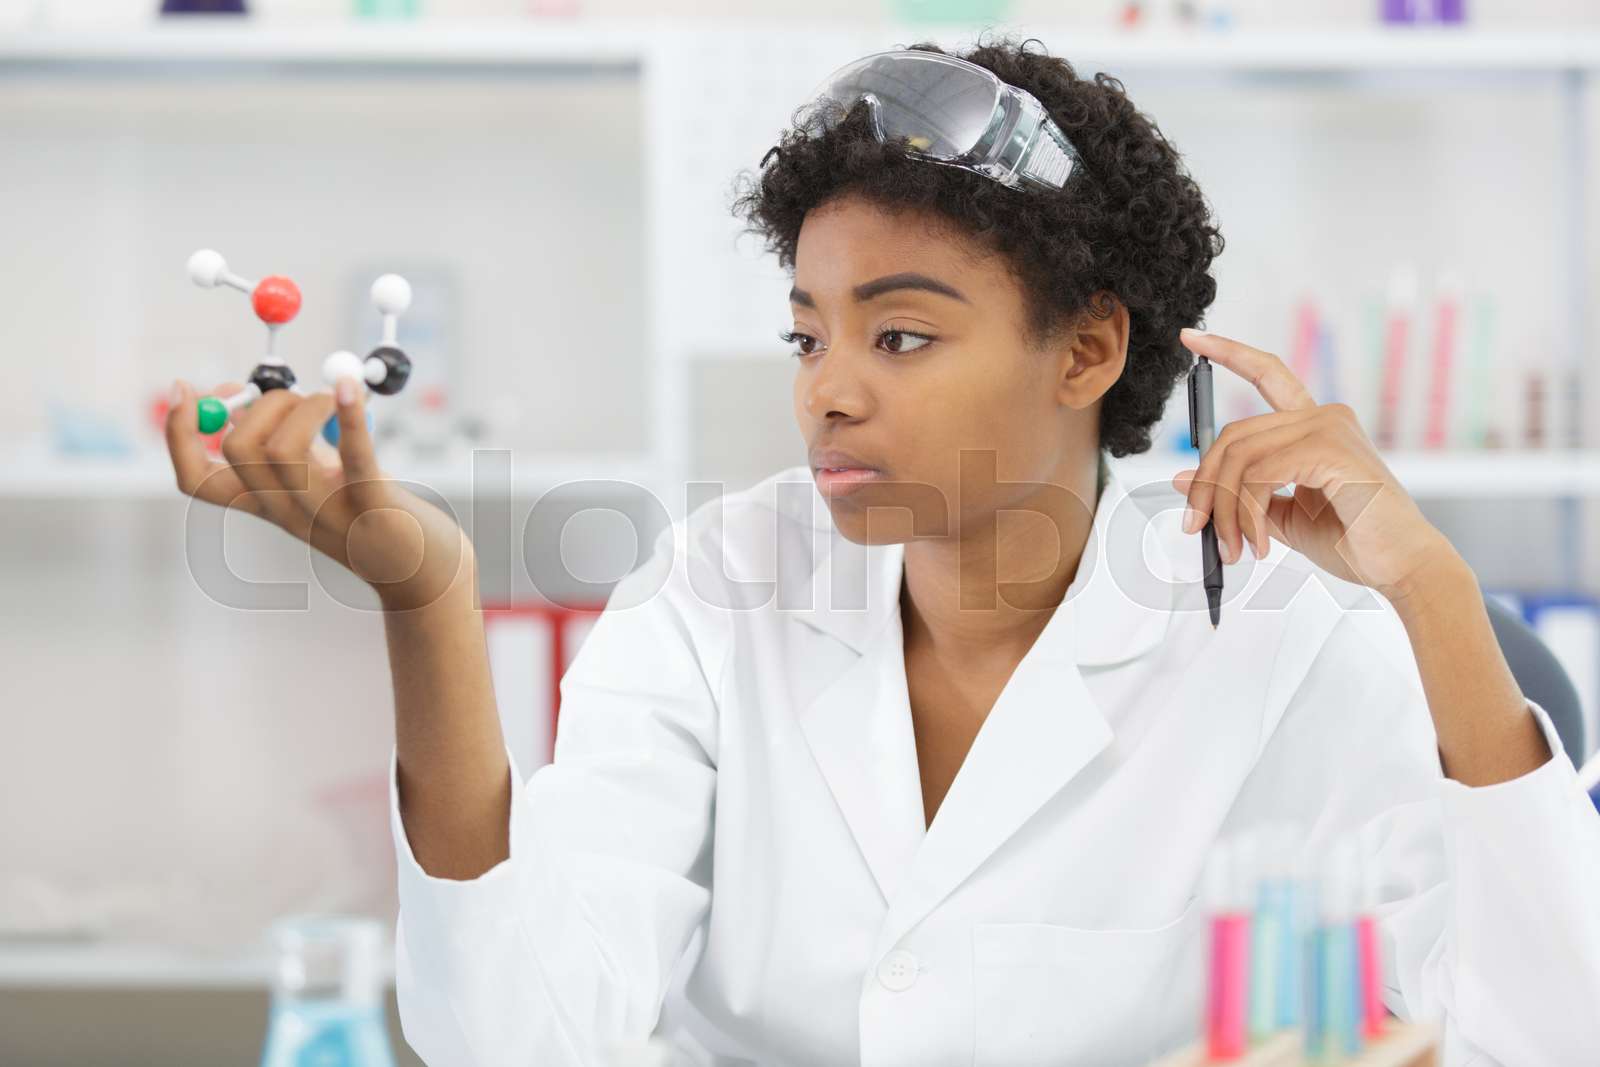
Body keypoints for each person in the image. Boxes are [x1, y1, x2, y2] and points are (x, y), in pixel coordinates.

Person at [164, 36, 1600, 1067]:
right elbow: (519, 1038)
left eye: (900, 335)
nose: (828, 393)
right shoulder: (715, 593)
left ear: (1087, 351)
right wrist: (428, 601)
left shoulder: (1280, 638)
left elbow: (1538, 1039)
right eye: (809, 336)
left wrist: (1432, 592)